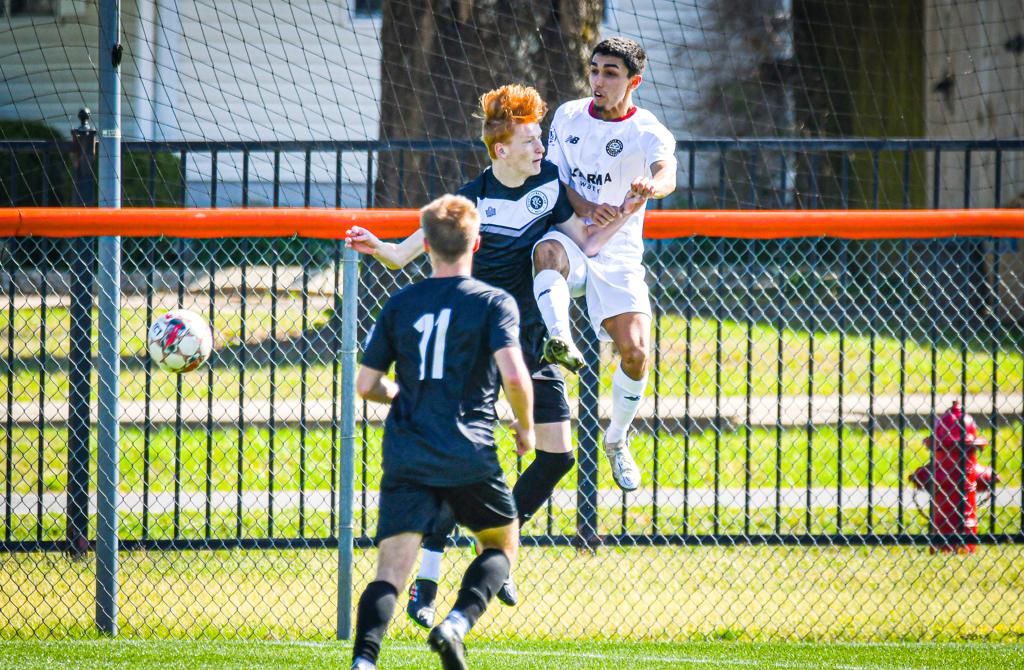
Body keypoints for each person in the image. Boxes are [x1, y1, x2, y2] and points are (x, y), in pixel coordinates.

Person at [346, 84, 642, 628]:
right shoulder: (472, 199)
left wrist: (628, 209)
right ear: (501, 149)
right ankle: (426, 585)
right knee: (455, 458)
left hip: (533, 337)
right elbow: (404, 253)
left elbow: (587, 240)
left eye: (540, 138)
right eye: (530, 141)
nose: (541, 148)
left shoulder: (550, 183)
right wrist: (378, 246)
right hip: (481, 342)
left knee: (557, 456)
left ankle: (498, 549)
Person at [349, 193, 534, 670]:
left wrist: (401, 394)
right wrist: (525, 429)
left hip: (408, 451)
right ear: (476, 244)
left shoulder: (400, 303)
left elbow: (365, 385)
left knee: (391, 571)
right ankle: (455, 623)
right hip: (468, 450)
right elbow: (515, 377)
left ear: (426, 245)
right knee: (500, 543)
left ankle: (364, 662)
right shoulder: (493, 302)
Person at [533, 36, 677, 493]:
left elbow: (667, 172)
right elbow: (553, 177)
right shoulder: (568, 116)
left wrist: (651, 187)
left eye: (610, 73)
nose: (598, 80)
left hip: (618, 253)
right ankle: (560, 339)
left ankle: (616, 437)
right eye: (594, 70)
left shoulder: (647, 128)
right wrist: (586, 206)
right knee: (546, 252)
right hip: (573, 235)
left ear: (634, 82)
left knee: (636, 353)